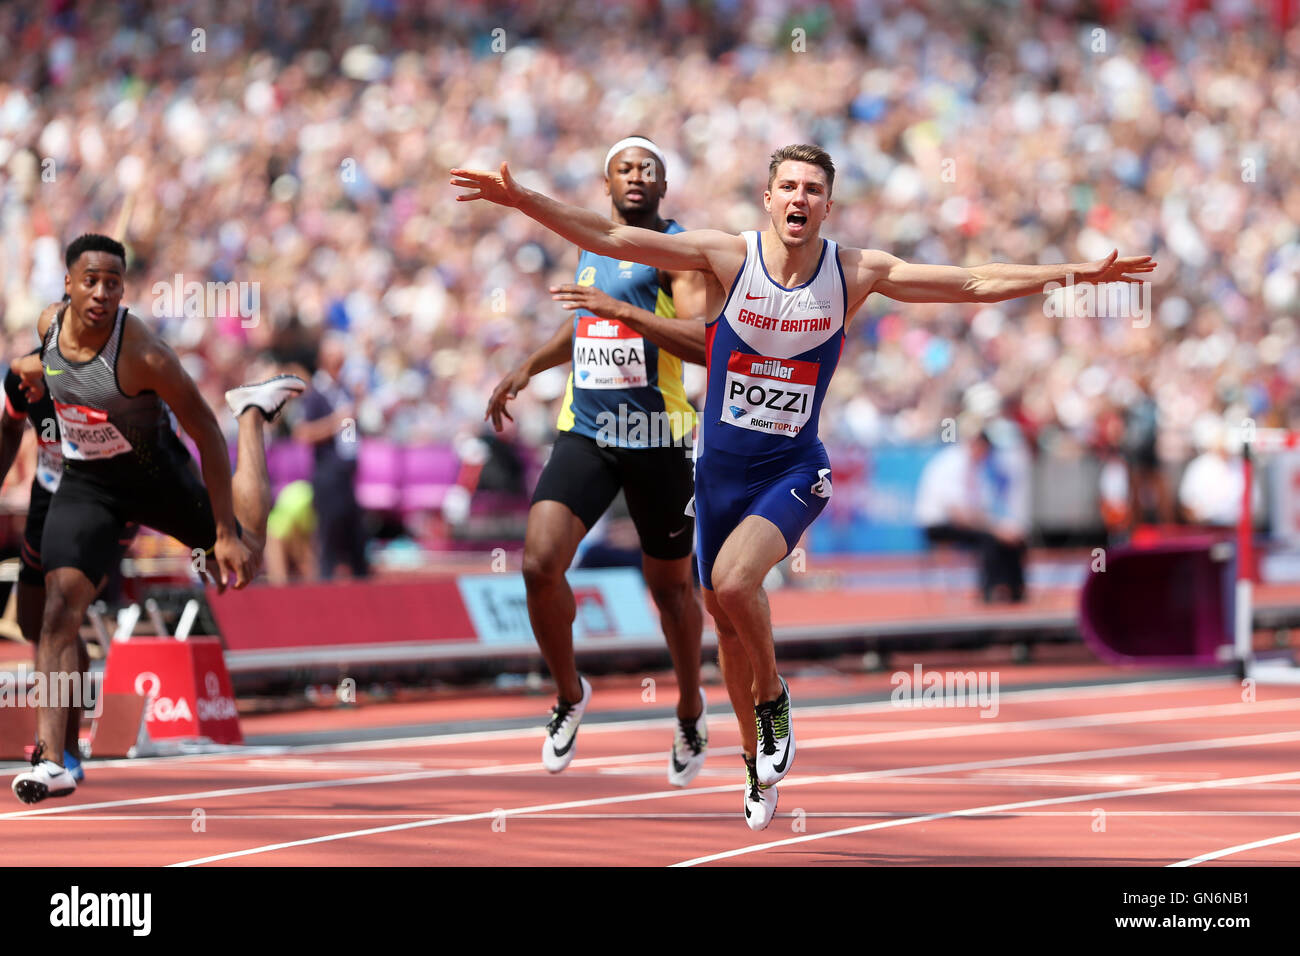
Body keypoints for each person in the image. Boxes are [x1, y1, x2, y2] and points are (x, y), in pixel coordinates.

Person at [452, 143, 1155, 828]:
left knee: (733, 585)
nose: (800, 199)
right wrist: (521, 199)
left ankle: (776, 699)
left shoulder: (855, 272)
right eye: (788, 187)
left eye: (812, 190)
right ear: (769, 198)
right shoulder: (730, 255)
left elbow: (970, 282)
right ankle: (756, 759)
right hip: (718, 472)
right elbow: (610, 233)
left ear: (827, 205)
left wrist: (1075, 273)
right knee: (724, 626)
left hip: (793, 469)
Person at [9, 233, 304, 804]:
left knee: (248, 559)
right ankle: (52, 760)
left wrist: (221, 534)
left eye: (113, 284)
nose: (100, 293)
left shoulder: (143, 352)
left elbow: (202, 434)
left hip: (157, 477)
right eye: (90, 281)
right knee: (58, 609)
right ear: (67, 285)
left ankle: (250, 410)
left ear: (124, 290)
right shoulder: (49, 325)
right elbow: (42, 362)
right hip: (89, 485)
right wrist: (30, 367)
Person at [483, 136, 717, 785]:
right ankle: (568, 694)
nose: (637, 176)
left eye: (649, 168)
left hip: (657, 435)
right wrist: (528, 365)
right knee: (537, 563)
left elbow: (704, 343)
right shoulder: (590, 241)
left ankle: (691, 707)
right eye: (625, 168)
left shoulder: (680, 254)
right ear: (606, 184)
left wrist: (625, 312)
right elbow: (584, 324)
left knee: (670, 588)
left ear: (663, 187)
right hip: (587, 430)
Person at [0, 302, 139, 782]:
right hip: (49, 493)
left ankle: (64, 749)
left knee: (62, 615)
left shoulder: (106, 379)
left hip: (101, 499)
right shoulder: (24, 379)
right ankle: (62, 744)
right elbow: (8, 428)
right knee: (33, 622)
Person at [914, 421, 1031, 603]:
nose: (986, 456)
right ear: (978, 445)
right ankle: (988, 591)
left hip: (965, 521)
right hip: (938, 523)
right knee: (989, 539)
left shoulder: (977, 469)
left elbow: (982, 509)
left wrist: (1004, 528)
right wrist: (995, 530)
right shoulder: (951, 463)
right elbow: (957, 513)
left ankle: (1015, 591)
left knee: (1014, 539)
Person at [290, 334, 370, 580]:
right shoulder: (314, 394)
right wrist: (336, 422)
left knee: (355, 539)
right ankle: (324, 598)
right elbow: (302, 433)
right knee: (329, 541)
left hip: (347, 475)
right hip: (327, 475)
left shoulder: (342, 392)